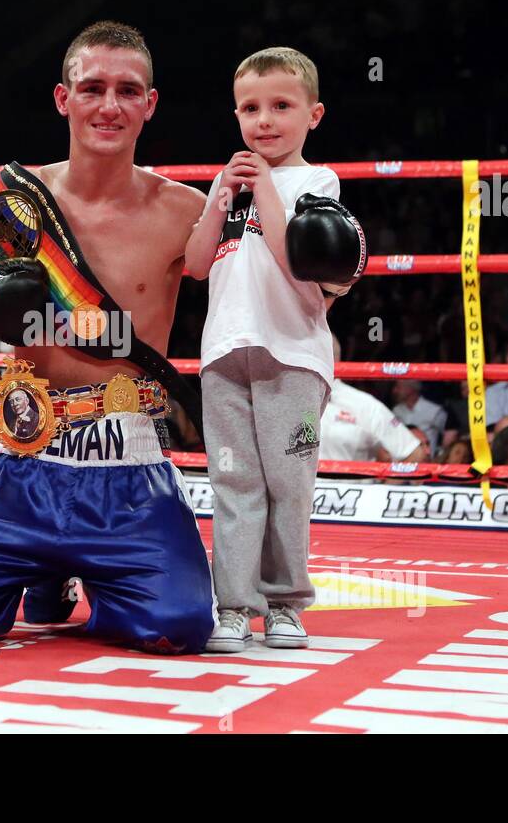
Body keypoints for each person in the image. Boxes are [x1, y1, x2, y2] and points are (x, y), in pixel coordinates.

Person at [0, 21, 216, 654]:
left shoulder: (186, 210)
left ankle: (78, 570)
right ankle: (45, 568)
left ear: (149, 105)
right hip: (25, 463)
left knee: (177, 626)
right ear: (61, 98)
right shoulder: (11, 202)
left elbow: (255, 284)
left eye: (128, 91)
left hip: (129, 472)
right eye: (92, 87)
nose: (109, 106)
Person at [183, 46, 366, 652]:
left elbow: (302, 266)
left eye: (280, 106)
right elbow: (194, 265)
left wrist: (263, 189)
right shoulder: (226, 183)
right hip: (223, 353)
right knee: (234, 483)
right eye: (250, 108)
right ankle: (235, 607)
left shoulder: (318, 181)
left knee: (289, 482)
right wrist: (217, 198)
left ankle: (285, 605)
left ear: (313, 115)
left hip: (293, 354)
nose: (263, 121)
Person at [320, 335, 424, 463]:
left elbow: (413, 452)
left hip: (346, 482)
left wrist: (386, 483)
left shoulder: (364, 405)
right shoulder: (291, 400)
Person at [391, 379, 446, 458]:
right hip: (402, 462)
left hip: (427, 462)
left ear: (410, 389)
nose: (394, 391)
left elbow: (448, 436)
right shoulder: (396, 411)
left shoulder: (434, 410)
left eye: (398, 387)